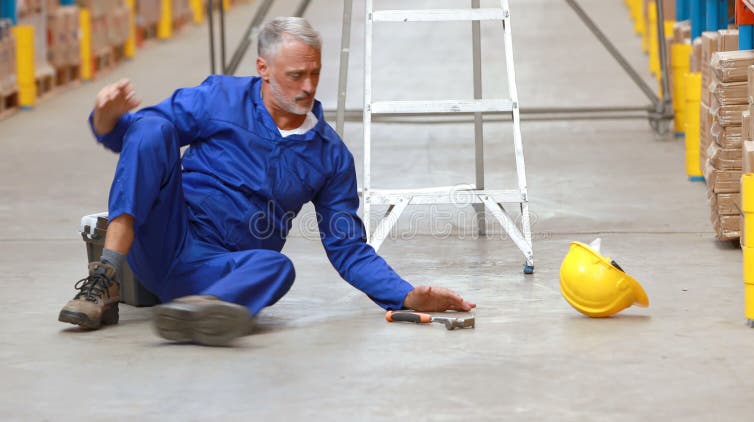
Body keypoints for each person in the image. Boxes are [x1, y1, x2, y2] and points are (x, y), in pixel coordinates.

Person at [58, 17, 476, 346]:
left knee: (277, 266)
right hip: (166, 237)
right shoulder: (218, 98)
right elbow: (135, 141)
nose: (308, 86)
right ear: (263, 68)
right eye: (295, 75)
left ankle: (201, 311)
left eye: (314, 73)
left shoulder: (329, 155)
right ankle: (104, 278)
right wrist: (106, 117)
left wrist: (404, 295)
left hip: (224, 270)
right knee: (151, 127)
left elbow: (347, 246)